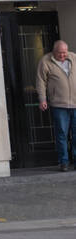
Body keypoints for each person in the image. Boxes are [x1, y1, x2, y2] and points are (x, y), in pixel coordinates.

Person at [36, 39, 76, 170]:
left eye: (65, 52)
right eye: (60, 53)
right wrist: (43, 99)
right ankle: (64, 162)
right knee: (62, 134)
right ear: (54, 51)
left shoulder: (73, 58)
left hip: (75, 103)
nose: (63, 55)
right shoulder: (46, 61)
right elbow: (41, 81)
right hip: (59, 104)